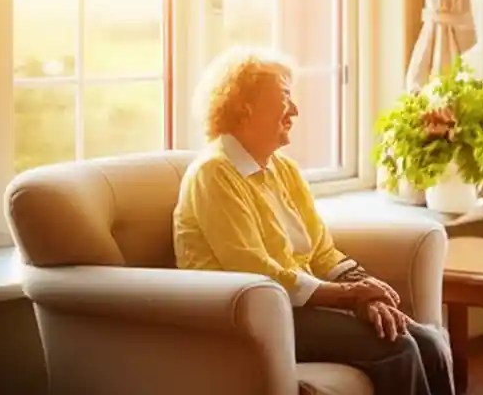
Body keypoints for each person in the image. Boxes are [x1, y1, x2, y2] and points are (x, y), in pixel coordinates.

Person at [173, 46, 453, 395]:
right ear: (246, 107)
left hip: (299, 307)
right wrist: (349, 296)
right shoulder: (214, 174)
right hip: (252, 320)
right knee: (396, 348)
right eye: (285, 98)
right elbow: (254, 271)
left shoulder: (283, 170)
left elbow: (323, 252)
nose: (295, 110)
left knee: (428, 341)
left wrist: (368, 295)